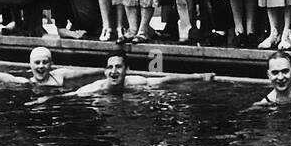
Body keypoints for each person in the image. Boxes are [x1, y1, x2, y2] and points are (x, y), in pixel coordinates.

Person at [0, 45, 103, 92]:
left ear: (51, 64)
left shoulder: (60, 76)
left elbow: (84, 72)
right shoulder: (24, 82)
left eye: (45, 62)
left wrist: (105, 70)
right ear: (30, 65)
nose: (41, 66)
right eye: (37, 63)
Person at [72, 51, 215, 97]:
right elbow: (70, 96)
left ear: (127, 70)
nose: (114, 72)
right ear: (105, 72)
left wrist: (199, 76)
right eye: (110, 67)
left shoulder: (136, 82)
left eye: (118, 67)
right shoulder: (95, 89)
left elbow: (166, 80)